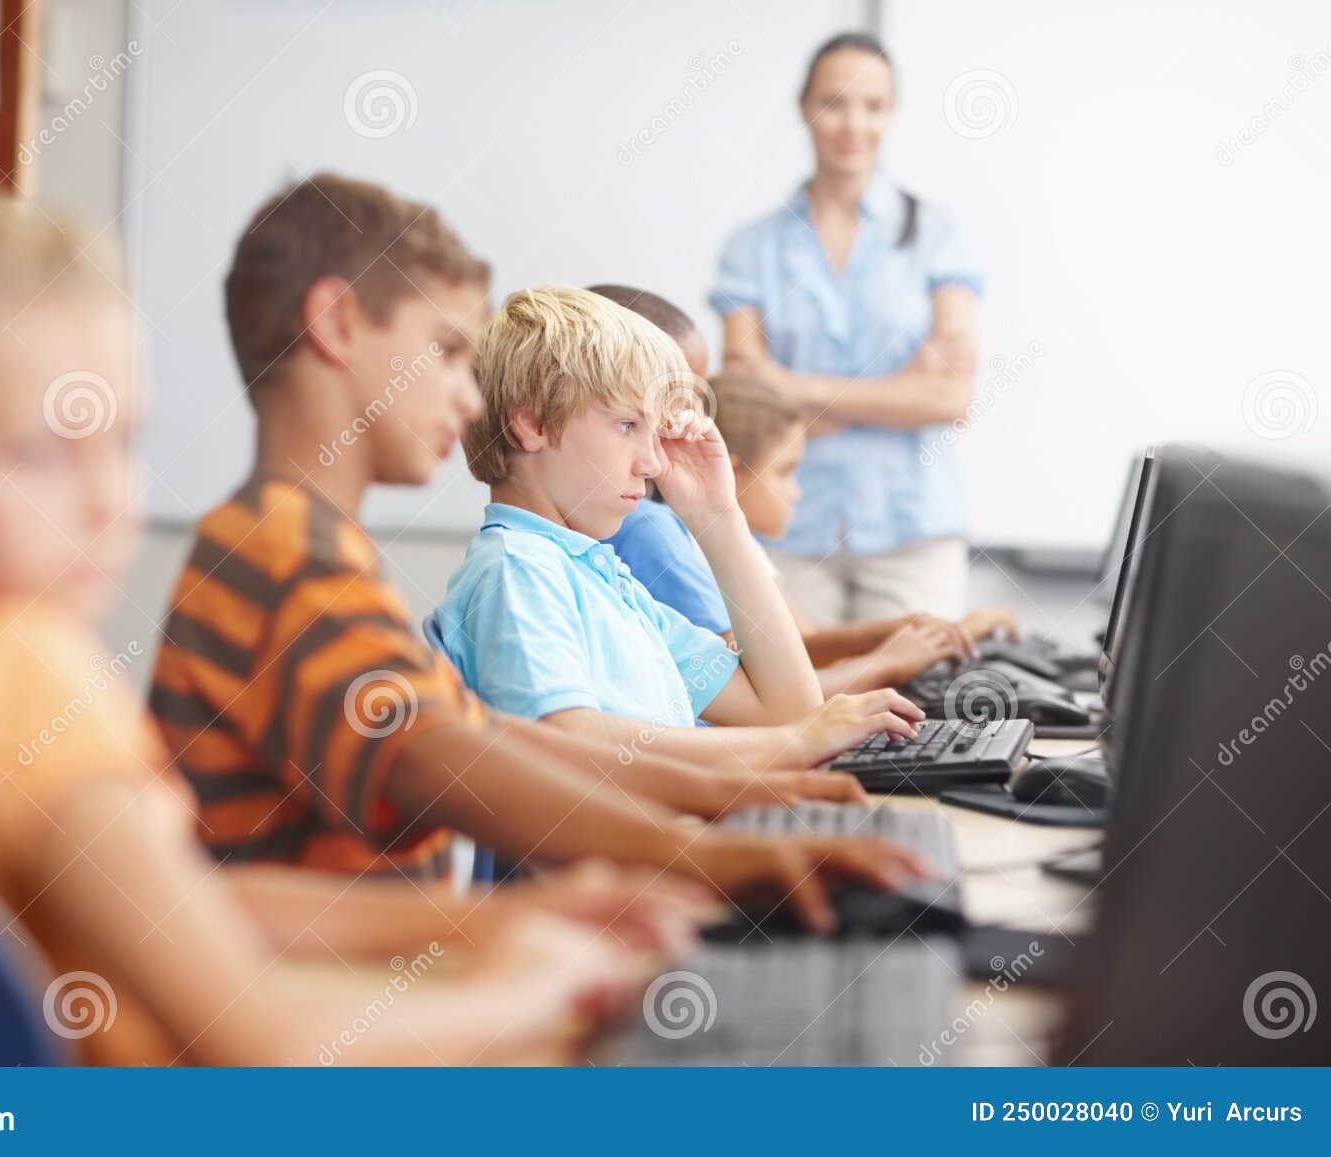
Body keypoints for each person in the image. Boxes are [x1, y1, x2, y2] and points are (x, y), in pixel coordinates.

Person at [0, 188, 691, 1066]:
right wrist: (534, 986)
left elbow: (183, 907)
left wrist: (467, 929)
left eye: (123, 443)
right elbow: (266, 1042)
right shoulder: (19, 675)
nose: (109, 502)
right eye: (41, 454)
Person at [150, 174, 930, 935]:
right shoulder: (285, 560)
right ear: (339, 323)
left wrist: (752, 782)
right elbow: (502, 753)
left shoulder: (320, 554)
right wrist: (727, 824)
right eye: (446, 351)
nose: (468, 395)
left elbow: (492, 741)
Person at [438, 282, 928, 777]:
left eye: (657, 433)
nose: (653, 462)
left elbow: (788, 707)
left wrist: (718, 519)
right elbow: (565, 739)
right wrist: (790, 743)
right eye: (628, 425)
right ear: (534, 424)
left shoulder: (606, 580)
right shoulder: (517, 569)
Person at [589, 284, 1009, 690]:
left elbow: (791, 656)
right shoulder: (649, 529)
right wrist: (887, 663)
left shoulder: (671, 529)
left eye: (695, 397)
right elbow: (775, 693)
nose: (690, 419)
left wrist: (900, 639)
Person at [715, 32, 988, 626]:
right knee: (801, 700)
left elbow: (950, 396)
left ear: (891, 114)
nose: (853, 124)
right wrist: (898, 393)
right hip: (788, 527)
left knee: (921, 706)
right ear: (804, 106)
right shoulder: (750, 248)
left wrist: (791, 387)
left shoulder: (937, 236)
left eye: (873, 105)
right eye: (834, 102)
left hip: (912, 530)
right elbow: (743, 405)